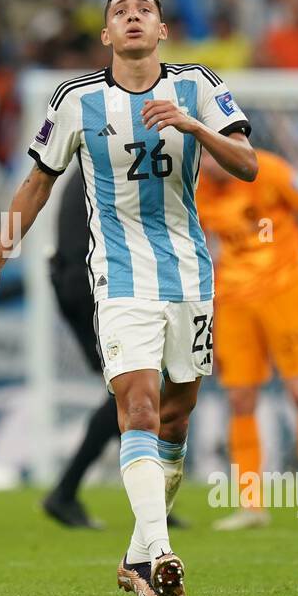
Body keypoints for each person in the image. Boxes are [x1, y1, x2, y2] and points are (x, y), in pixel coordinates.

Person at [0, 0, 258, 596]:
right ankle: (163, 554)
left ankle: (136, 555)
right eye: (119, 12)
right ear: (105, 35)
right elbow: (34, 188)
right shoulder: (75, 100)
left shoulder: (199, 85)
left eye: (144, 9)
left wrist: (193, 127)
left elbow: (248, 164)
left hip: (190, 273)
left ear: (162, 31)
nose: (131, 17)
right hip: (119, 277)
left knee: (176, 418)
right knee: (141, 408)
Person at [196, 149, 298, 529]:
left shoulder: (269, 170)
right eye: (203, 154)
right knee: (240, 398)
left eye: (215, 153)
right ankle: (251, 505)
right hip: (233, 301)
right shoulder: (198, 187)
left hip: (285, 294)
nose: (209, 163)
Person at [41, 165, 190, 532]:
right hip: (94, 284)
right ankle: (66, 492)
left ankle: (146, 502)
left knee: (134, 391)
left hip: (85, 281)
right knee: (133, 391)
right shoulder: (109, 161)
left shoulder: (98, 159)